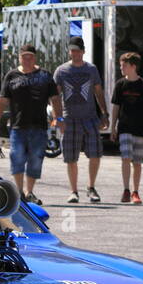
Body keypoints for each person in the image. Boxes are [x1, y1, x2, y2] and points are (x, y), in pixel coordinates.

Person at [0, 43, 60, 204]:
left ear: (34, 57)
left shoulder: (45, 75)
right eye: (24, 57)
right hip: (17, 126)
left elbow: (55, 99)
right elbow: (2, 102)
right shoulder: (12, 76)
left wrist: (59, 117)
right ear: (19, 57)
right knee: (17, 157)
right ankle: (19, 191)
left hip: (39, 126)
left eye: (30, 56)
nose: (27, 59)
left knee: (36, 159)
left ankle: (29, 192)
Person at [53, 37, 108, 203]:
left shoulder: (91, 69)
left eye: (77, 50)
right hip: (69, 119)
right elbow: (55, 97)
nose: (74, 53)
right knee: (70, 157)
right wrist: (58, 118)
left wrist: (104, 114)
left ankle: (91, 188)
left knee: (95, 154)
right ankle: (73, 190)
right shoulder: (61, 71)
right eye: (72, 50)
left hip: (90, 118)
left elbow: (98, 92)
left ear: (83, 51)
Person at [110, 52, 143, 204]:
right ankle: (126, 190)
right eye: (120, 65)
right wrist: (112, 126)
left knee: (137, 162)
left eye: (124, 65)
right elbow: (115, 107)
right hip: (124, 127)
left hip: (140, 128)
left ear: (133, 66)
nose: (121, 67)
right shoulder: (120, 84)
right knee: (125, 158)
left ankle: (136, 191)